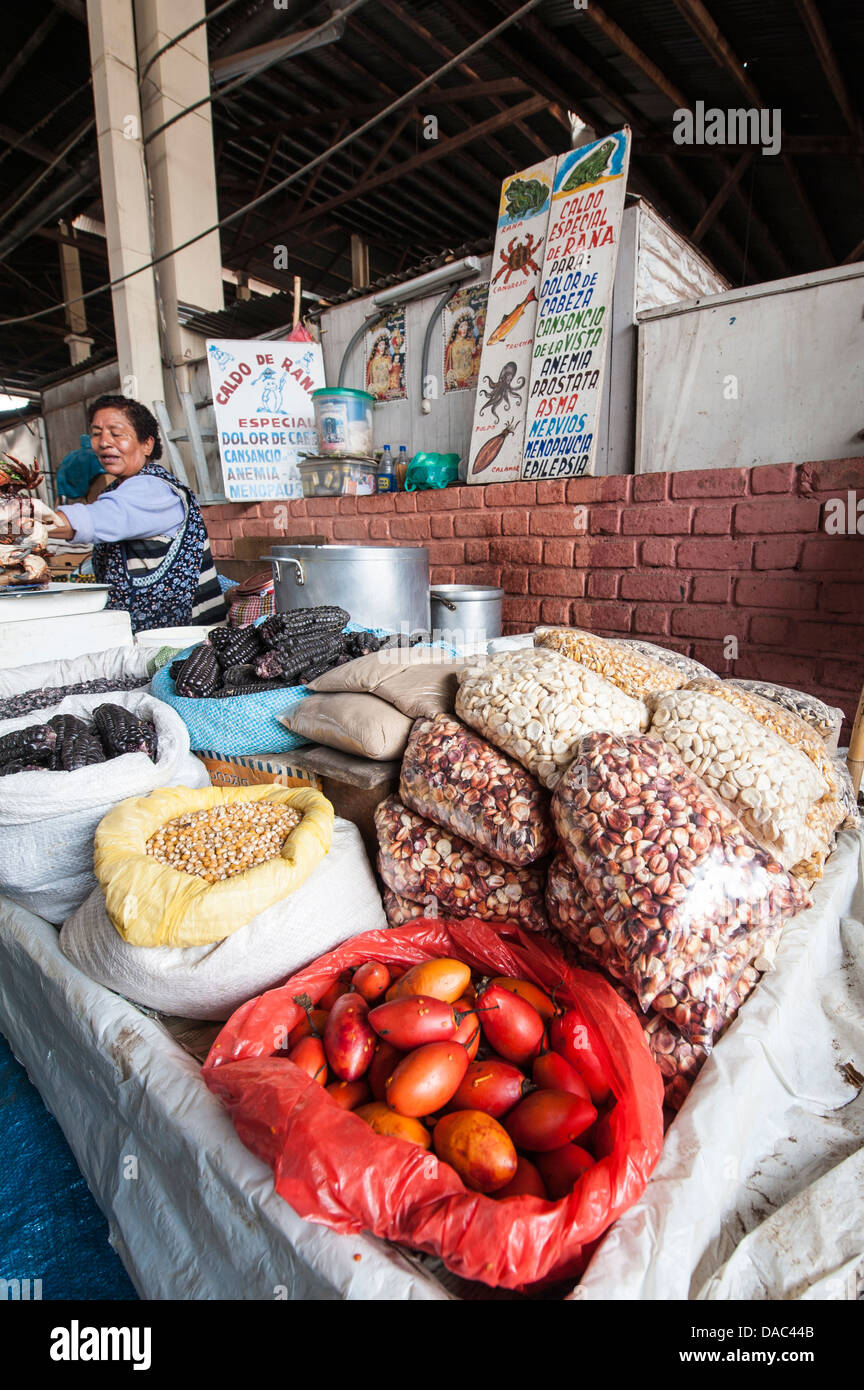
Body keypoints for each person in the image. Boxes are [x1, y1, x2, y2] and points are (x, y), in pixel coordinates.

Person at [49, 394, 227, 632]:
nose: (104, 442)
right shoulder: (118, 488)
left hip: (184, 644)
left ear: (147, 444)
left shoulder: (153, 489)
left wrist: (28, 523)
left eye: (116, 433)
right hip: (141, 642)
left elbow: (96, 518)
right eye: (97, 433)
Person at [55, 434, 108, 504]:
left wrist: (61, 490)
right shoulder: (94, 455)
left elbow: (61, 472)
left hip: (71, 490)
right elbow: (101, 469)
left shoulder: (71, 455)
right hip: (91, 491)